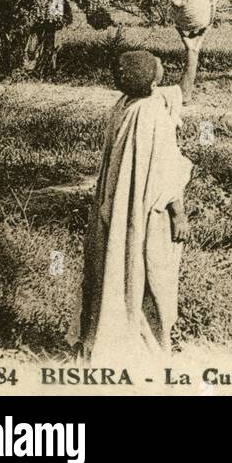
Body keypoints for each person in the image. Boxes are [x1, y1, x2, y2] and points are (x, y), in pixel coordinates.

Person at [77, 30, 203, 364]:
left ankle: (115, 336)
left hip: (120, 209)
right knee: (153, 273)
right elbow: (167, 173)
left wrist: (192, 50)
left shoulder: (127, 103)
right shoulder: (153, 116)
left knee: (118, 267)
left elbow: (184, 92)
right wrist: (180, 215)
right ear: (150, 79)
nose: (163, 66)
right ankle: (146, 347)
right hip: (149, 211)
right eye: (159, 65)